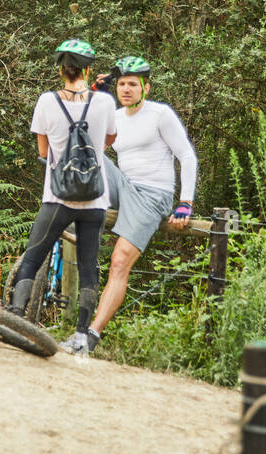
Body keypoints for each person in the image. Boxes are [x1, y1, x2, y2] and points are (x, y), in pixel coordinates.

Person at [82, 56, 198, 355]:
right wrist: (94, 92)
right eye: (121, 84)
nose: (126, 89)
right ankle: (72, 216)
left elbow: (186, 156)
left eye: (133, 84)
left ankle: (90, 336)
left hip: (152, 194)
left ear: (146, 87)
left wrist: (185, 202)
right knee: (86, 149)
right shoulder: (115, 118)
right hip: (124, 185)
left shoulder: (161, 114)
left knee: (119, 262)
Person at [7, 39, 118, 352]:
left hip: (57, 199)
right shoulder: (105, 102)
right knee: (88, 266)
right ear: (88, 69)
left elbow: (43, 151)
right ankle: (82, 335)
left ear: (60, 70)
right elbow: (108, 141)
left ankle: (15, 319)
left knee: (32, 258)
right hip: (95, 201)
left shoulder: (46, 101)